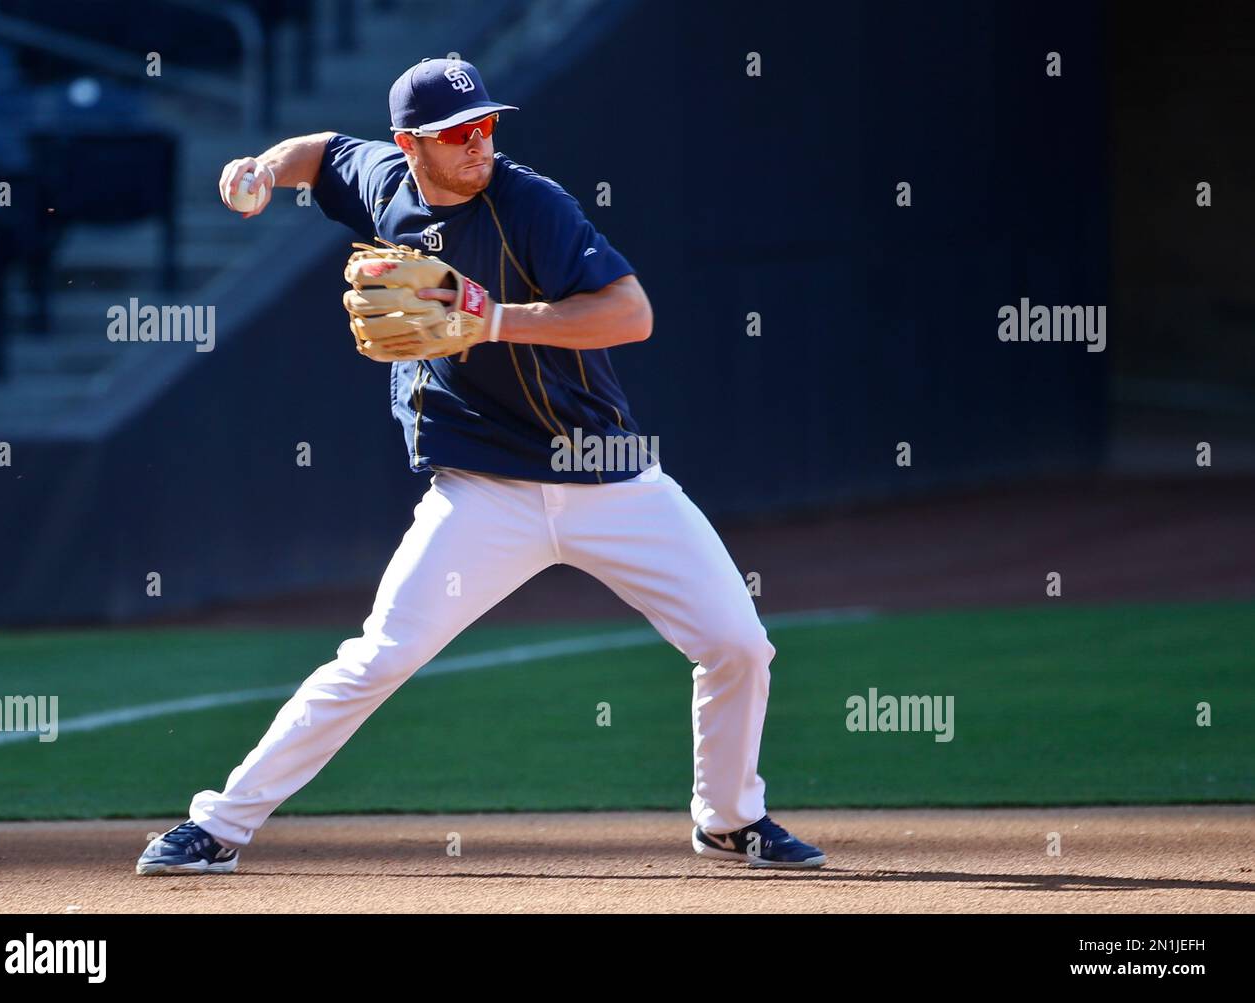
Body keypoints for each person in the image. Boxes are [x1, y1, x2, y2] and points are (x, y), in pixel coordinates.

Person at [136, 58, 825, 875]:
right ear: (410, 145)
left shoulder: (532, 204)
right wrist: (260, 168)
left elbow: (629, 314)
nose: (479, 143)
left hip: (606, 475)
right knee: (379, 656)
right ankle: (217, 826)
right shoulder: (384, 177)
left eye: (487, 125)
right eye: (457, 134)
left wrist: (491, 319)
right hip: (482, 491)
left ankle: (729, 819)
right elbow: (320, 151)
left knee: (739, 645)